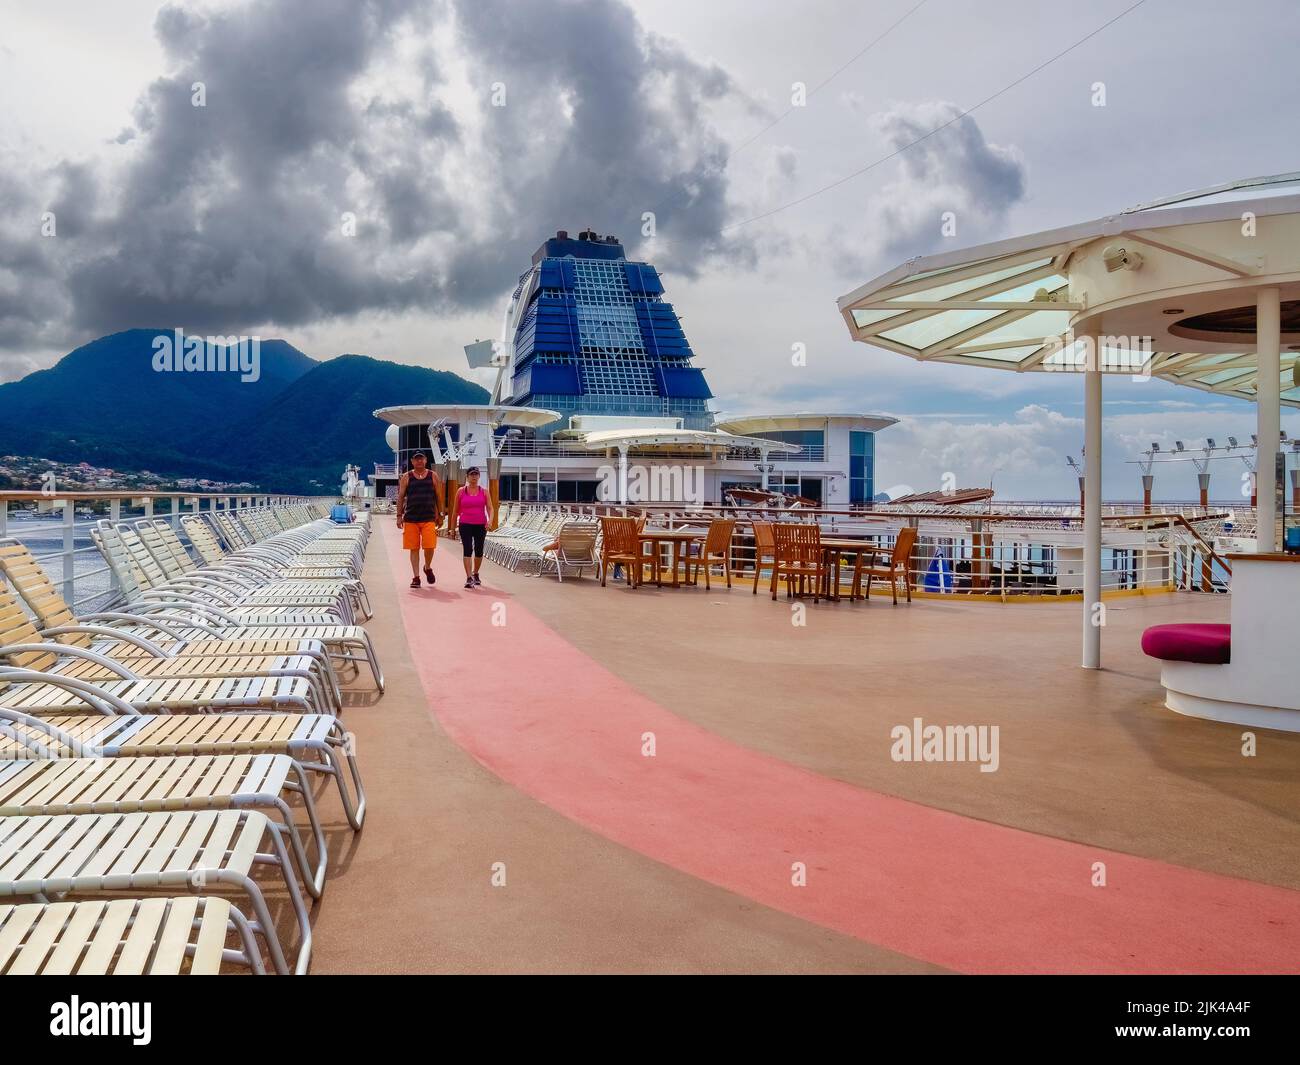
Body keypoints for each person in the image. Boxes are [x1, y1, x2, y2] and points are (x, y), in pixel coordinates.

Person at [395, 451, 443, 589]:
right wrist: (399, 516)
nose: (419, 461)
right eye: (416, 459)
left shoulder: (433, 476)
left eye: (421, 459)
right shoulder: (406, 477)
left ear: (426, 460)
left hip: (429, 517)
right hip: (411, 518)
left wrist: (440, 514)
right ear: (412, 461)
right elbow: (400, 497)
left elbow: (439, 496)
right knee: (414, 548)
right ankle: (416, 577)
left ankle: (427, 567)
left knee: (429, 546)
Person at [453, 466, 492, 588]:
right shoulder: (461, 491)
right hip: (465, 524)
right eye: (471, 474)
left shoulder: (484, 491)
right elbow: (455, 511)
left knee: (479, 551)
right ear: (467, 476)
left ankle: (476, 573)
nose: (474, 476)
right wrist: (452, 528)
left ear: (479, 476)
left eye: (476, 474)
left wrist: (490, 521)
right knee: (468, 549)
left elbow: (490, 508)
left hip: (480, 524)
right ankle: (469, 577)